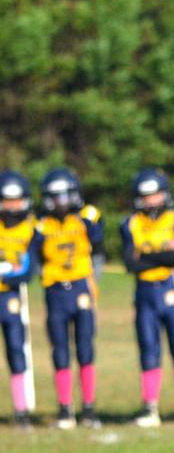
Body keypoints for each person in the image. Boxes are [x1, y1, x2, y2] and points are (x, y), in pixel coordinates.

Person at [121, 168, 174, 427]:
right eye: (146, 196)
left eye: (155, 195)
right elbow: (131, 263)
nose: (151, 201)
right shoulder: (131, 223)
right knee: (148, 348)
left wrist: (147, 255)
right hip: (144, 292)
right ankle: (150, 407)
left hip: (172, 287)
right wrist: (161, 253)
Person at [32, 168, 102, 429]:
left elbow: (99, 246)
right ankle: (65, 409)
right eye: (55, 196)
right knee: (59, 349)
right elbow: (35, 257)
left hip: (82, 287)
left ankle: (89, 408)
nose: (60, 202)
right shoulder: (41, 224)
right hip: (55, 291)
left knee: (85, 348)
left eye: (65, 195)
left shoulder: (86, 218)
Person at [0, 171, 36, 427]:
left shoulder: (30, 228)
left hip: (10, 297)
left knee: (16, 349)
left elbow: (27, 270)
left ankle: (21, 410)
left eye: (16, 200)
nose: (12, 205)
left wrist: (9, 272)